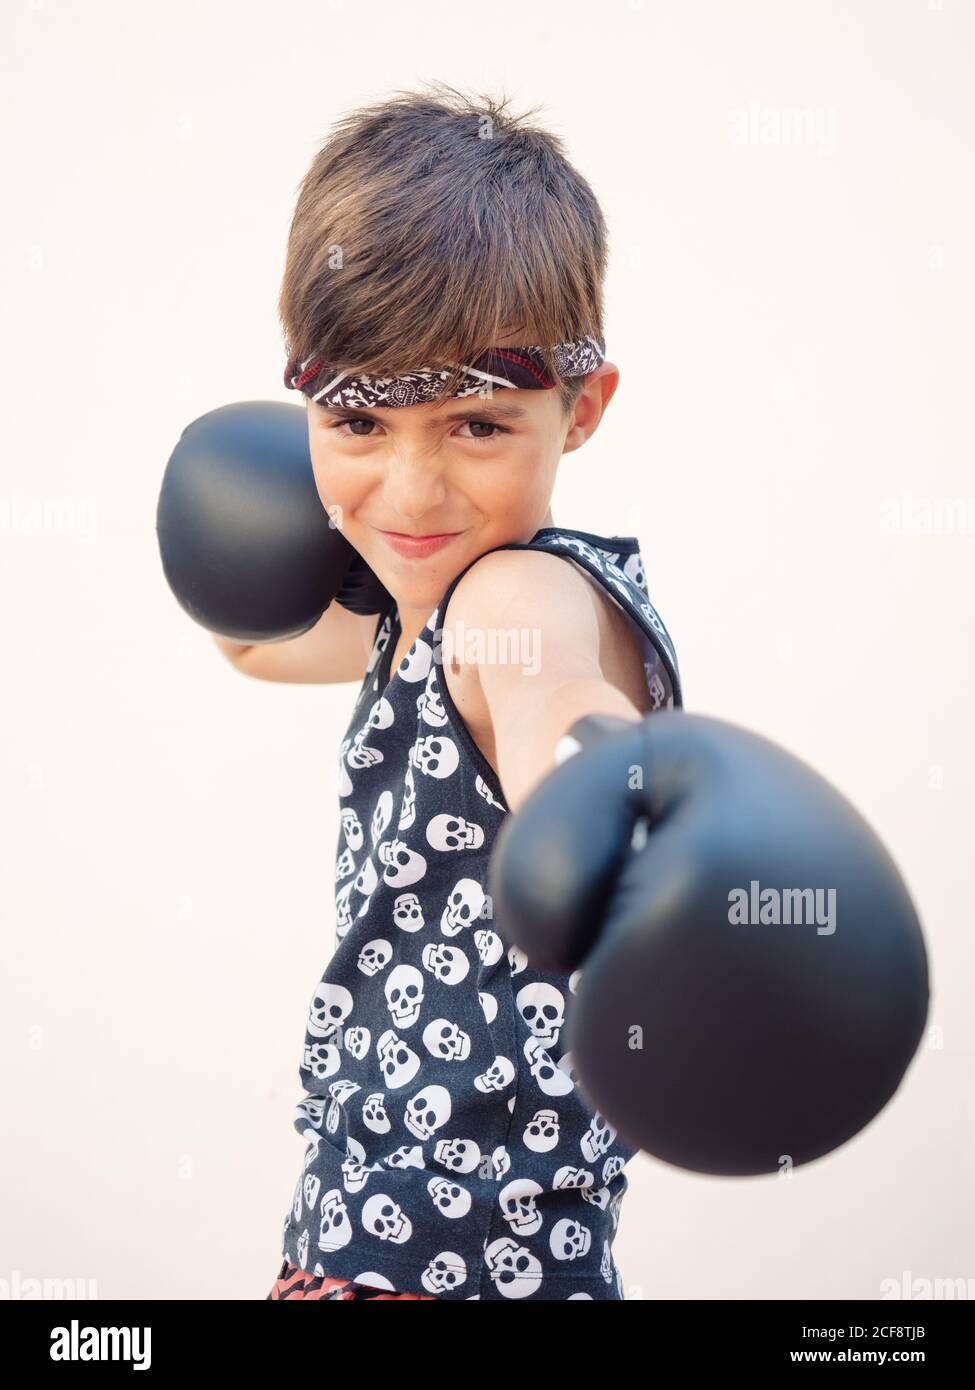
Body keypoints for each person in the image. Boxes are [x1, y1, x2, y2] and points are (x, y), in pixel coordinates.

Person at [215, 85, 679, 1300]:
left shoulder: (514, 596)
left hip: (462, 1262)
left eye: (477, 424)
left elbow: (552, 704)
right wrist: (244, 540)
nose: (413, 492)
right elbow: (257, 648)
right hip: (351, 1223)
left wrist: (603, 787)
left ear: (581, 409)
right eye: (360, 420)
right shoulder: (411, 608)